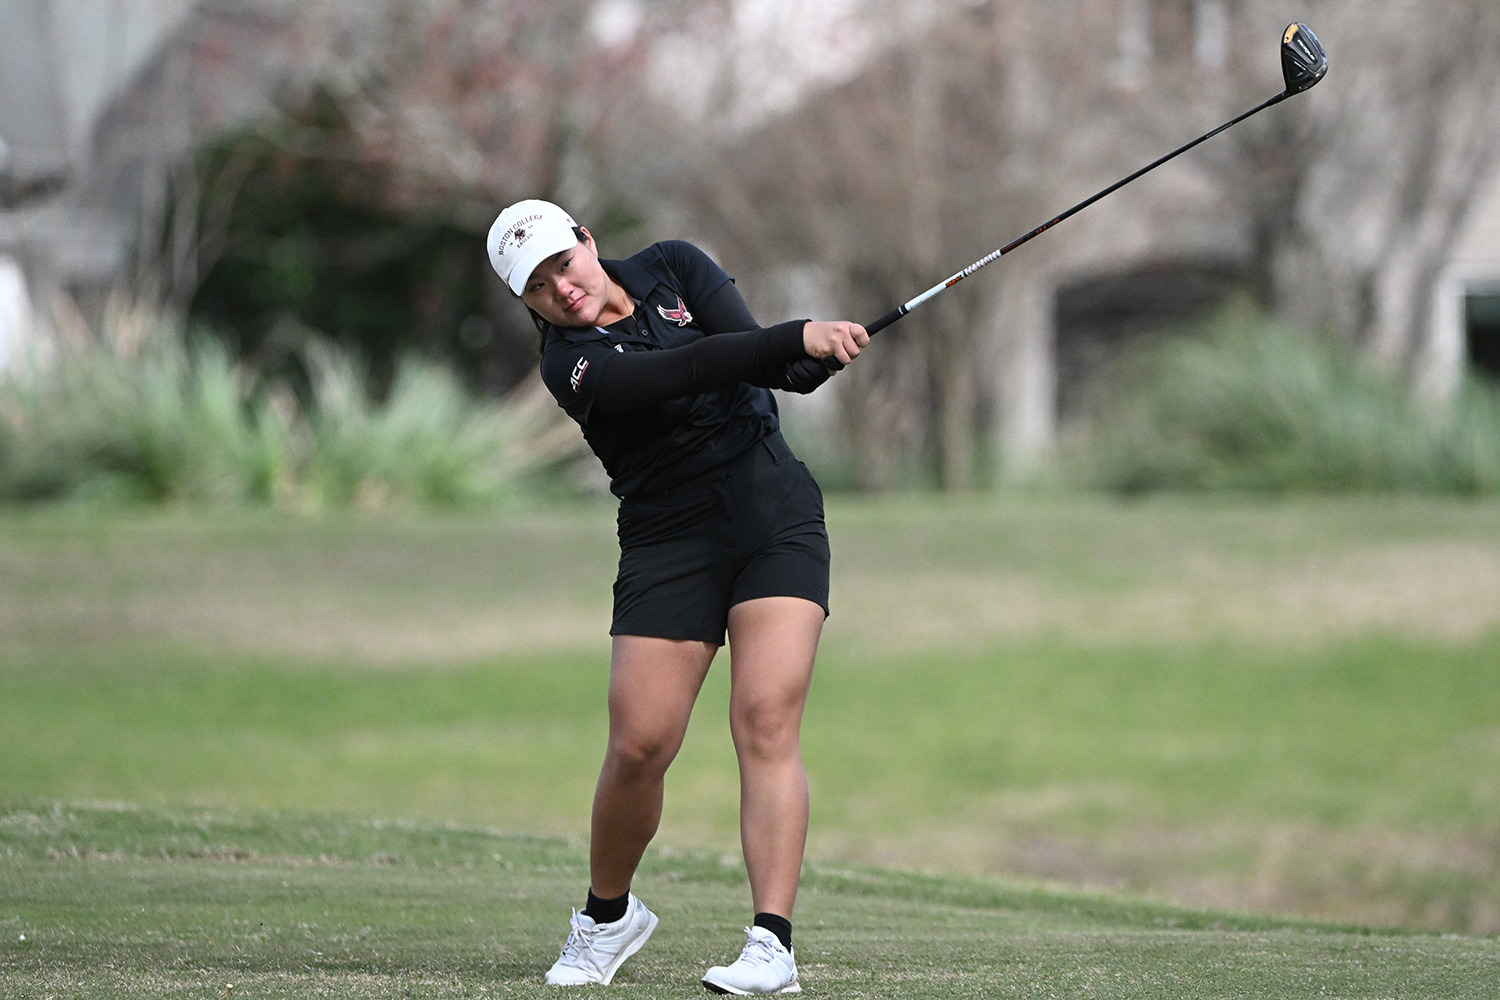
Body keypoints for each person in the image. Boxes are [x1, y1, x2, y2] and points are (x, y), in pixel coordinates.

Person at [486, 199, 868, 995]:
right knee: (640, 744)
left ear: (587, 242)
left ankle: (772, 945)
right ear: (525, 302)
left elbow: (775, 366)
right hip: (670, 540)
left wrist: (819, 350)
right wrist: (791, 338)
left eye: (565, 261)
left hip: (774, 515)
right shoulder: (572, 364)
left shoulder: (675, 267)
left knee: (766, 718)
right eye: (538, 285)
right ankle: (606, 918)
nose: (563, 287)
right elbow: (692, 368)